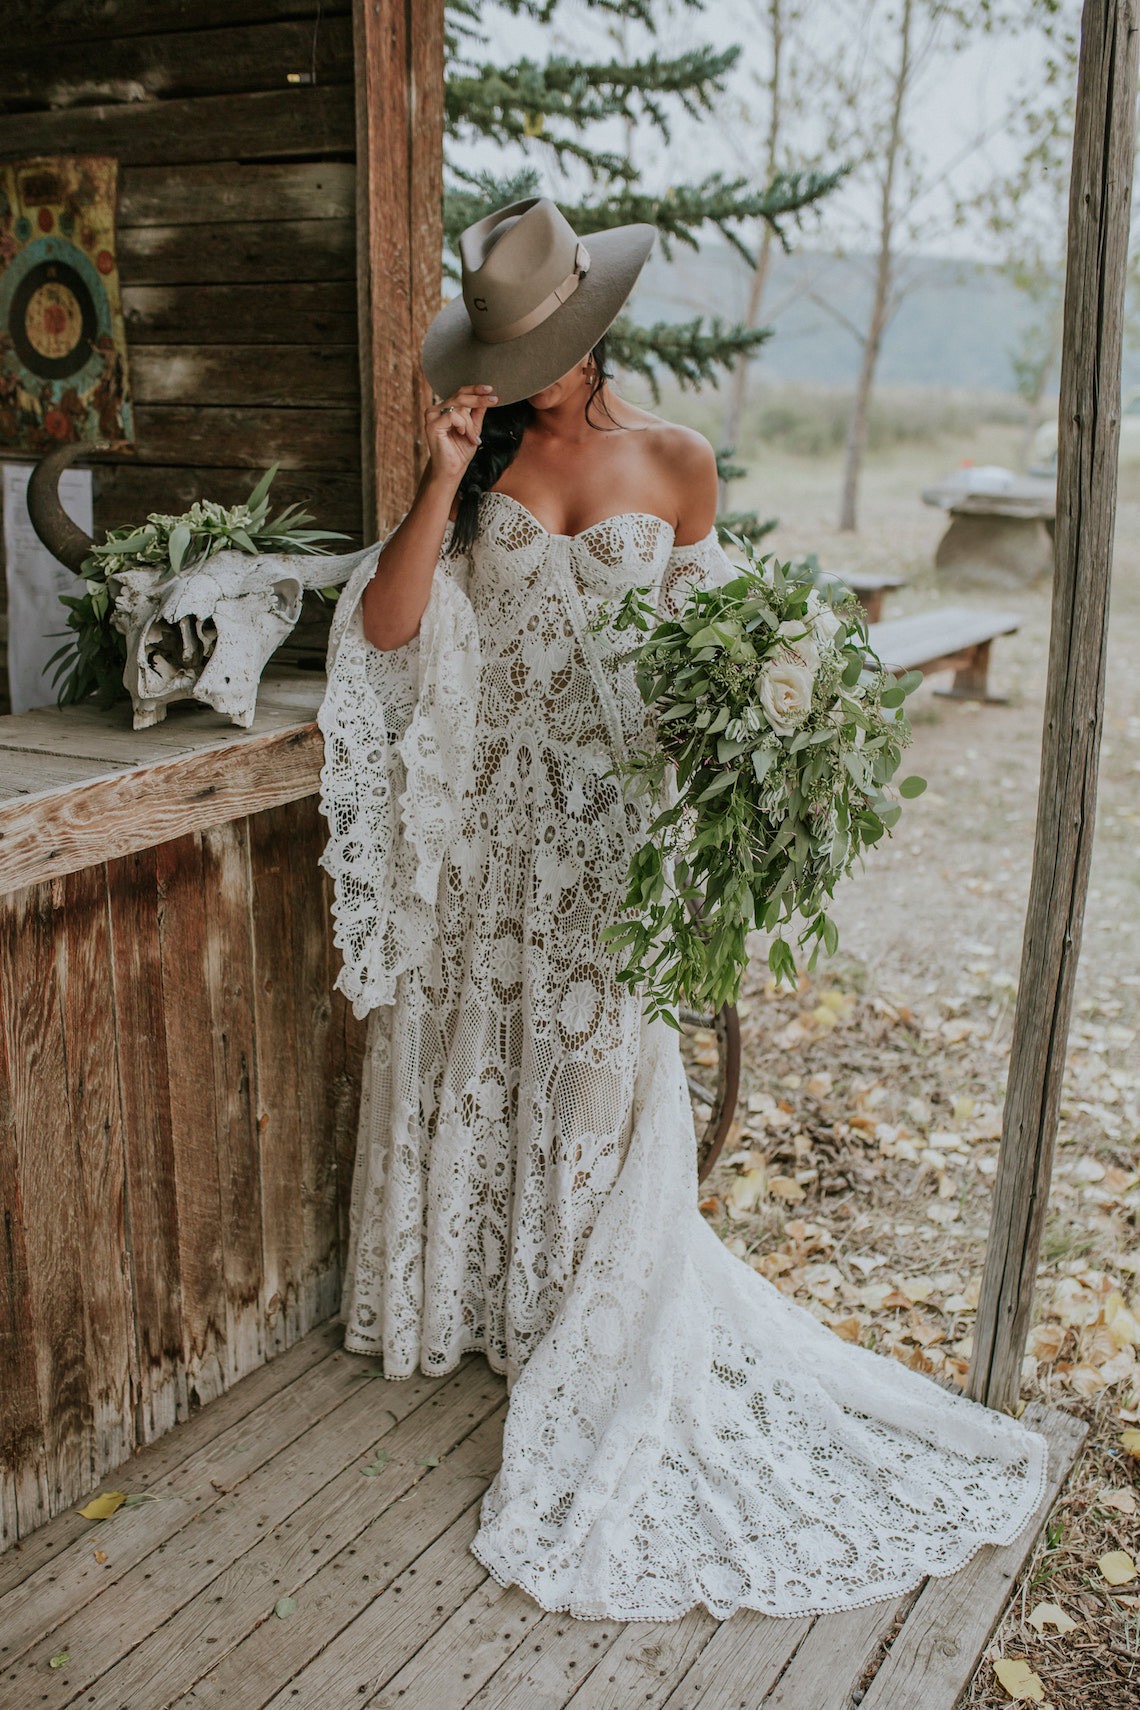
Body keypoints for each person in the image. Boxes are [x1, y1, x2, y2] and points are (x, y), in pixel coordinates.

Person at [316, 197, 1048, 1624]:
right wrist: (439, 475)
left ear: (593, 334)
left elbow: (716, 667)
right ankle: (478, 1307)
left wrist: (758, 778)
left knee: (598, 1092)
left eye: (547, 358)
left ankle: (582, 1328)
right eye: (509, 363)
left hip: (614, 853)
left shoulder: (680, 465)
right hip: (491, 843)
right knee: (483, 1064)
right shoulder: (478, 467)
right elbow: (393, 634)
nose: (530, 384)